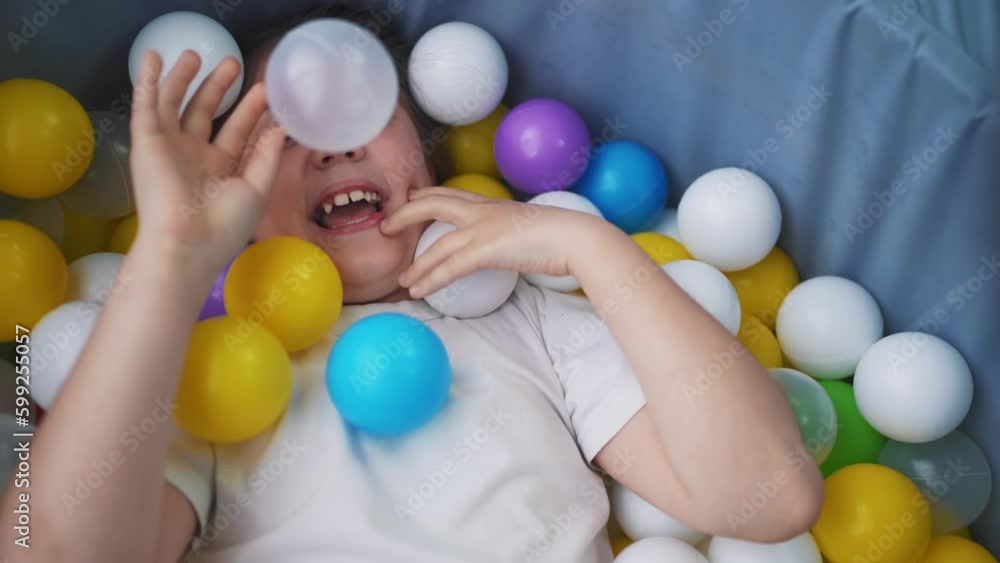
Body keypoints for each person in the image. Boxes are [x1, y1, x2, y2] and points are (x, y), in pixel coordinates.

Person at [0, 4, 823, 562]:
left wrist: (589, 248)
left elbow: (771, 498)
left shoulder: (533, 317)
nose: (329, 144)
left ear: (426, 152)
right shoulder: (201, 371)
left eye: (361, 105)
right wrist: (173, 258)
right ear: (238, 208)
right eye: (281, 126)